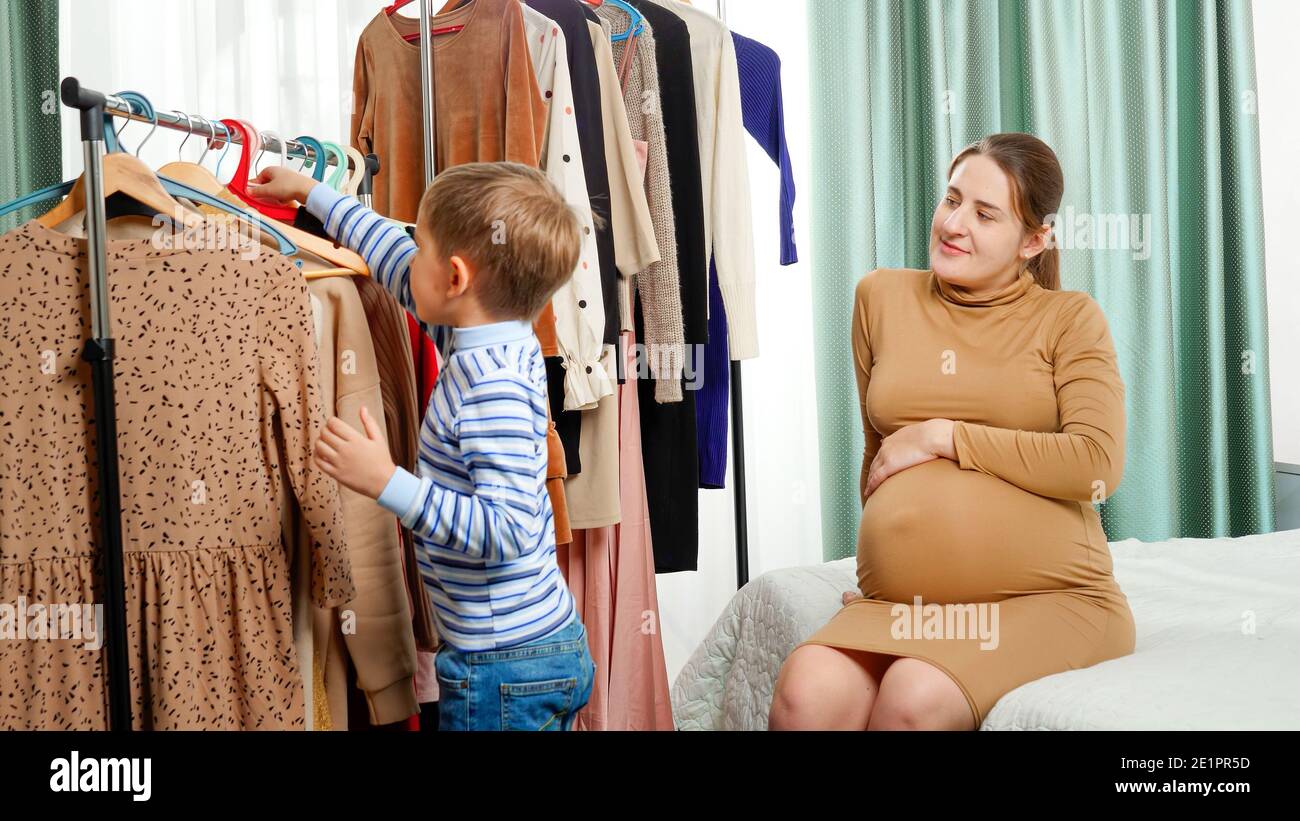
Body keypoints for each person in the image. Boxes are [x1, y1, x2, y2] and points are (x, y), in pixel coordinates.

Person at [769, 133, 1135, 731]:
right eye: (952, 199)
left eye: (985, 214)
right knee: (803, 694)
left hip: (1049, 600)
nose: (954, 223)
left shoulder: (1068, 319)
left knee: (913, 697)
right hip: (902, 605)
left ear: (1034, 240)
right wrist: (893, 575)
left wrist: (946, 436)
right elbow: (878, 457)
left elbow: (1096, 463)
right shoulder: (880, 297)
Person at [250, 160, 597, 731]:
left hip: (503, 665)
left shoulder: (493, 388)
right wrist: (313, 194)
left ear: (455, 279)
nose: (408, 257)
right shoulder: (488, 335)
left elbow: (506, 529)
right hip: (529, 647)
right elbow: (390, 256)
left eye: (423, 249)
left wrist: (388, 483)